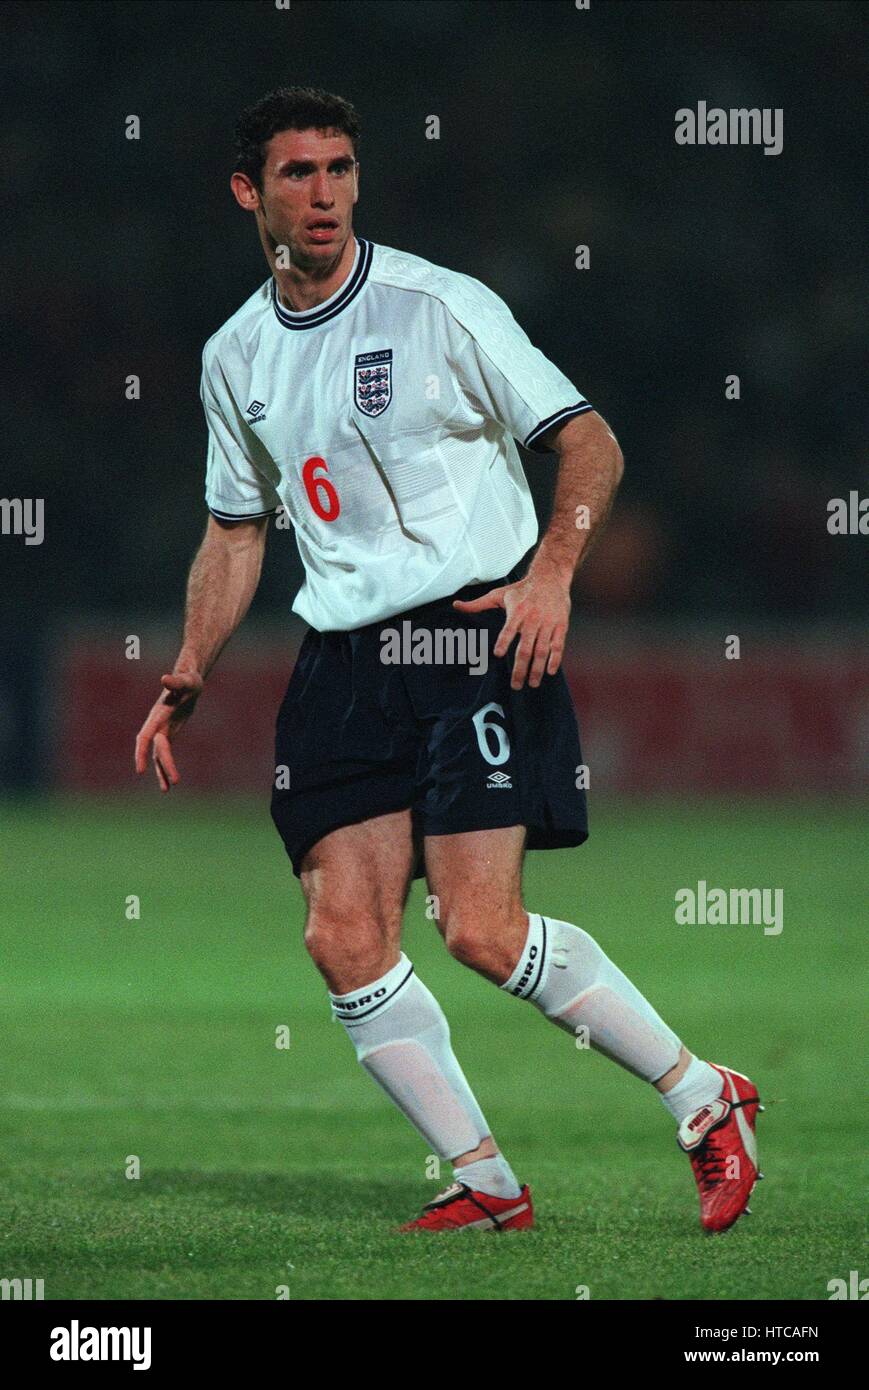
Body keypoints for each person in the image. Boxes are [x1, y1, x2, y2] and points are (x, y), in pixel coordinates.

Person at [135, 87, 761, 1234]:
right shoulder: (234, 356)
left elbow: (586, 440)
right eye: (296, 174)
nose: (323, 194)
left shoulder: (438, 306)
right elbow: (236, 528)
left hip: (470, 633)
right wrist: (190, 663)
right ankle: (484, 1180)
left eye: (339, 170)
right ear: (249, 191)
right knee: (339, 934)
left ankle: (702, 1094)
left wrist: (552, 574)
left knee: (478, 929)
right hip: (341, 659)